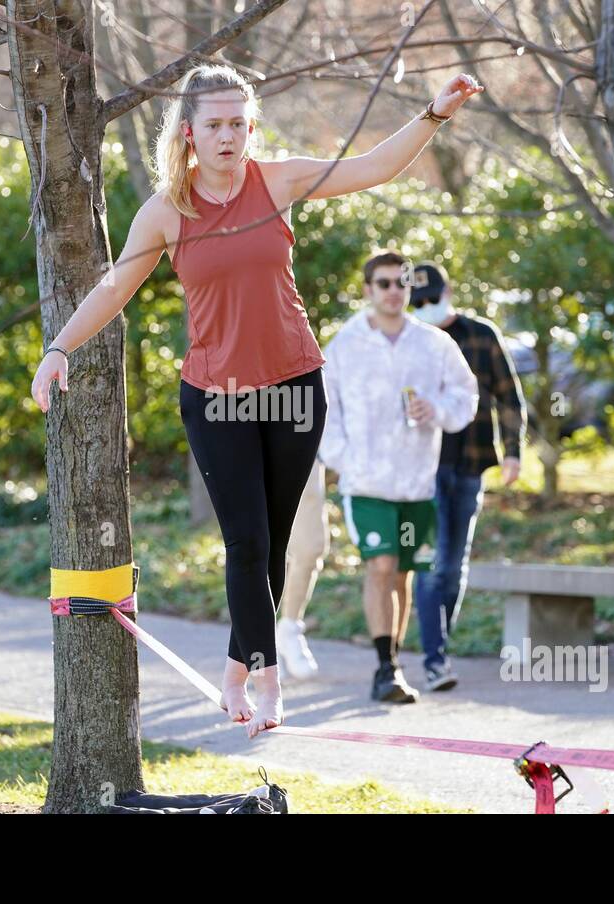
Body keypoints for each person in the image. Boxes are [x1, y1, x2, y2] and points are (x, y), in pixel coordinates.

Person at [31, 63, 484, 738]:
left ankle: (238, 667)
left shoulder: (278, 181)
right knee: (245, 541)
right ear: (188, 132)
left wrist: (436, 112)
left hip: (296, 387)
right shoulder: (167, 210)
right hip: (218, 397)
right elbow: (112, 290)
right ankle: (267, 681)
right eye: (214, 124)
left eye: (239, 123)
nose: (228, 136)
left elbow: (374, 168)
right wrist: (58, 349)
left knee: (270, 544)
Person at [319, 251, 478, 703]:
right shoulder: (344, 345)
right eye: (384, 283)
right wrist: (342, 459)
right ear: (368, 289)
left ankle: (394, 664)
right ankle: (384, 668)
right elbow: (323, 410)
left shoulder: (433, 344)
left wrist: (438, 410)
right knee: (381, 565)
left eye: (400, 283)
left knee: (404, 574)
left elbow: (466, 396)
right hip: (366, 483)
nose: (393, 291)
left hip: (416, 481)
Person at [408, 261, 526, 692]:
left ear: (448, 292)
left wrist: (513, 452)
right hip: (424, 468)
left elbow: (509, 396)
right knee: (432, 565)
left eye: (431, 299)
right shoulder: (408, 342)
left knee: (456, 568)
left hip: (470, 463)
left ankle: (441, 645)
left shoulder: (480, 334)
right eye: (416, 302)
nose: (425, 307)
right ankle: (434, 658)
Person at [274, 459, 330, 680]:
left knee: (311, 548)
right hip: (250, 433)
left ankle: (288, 628)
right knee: (256, 547)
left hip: (303, 435)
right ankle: (257, 640)